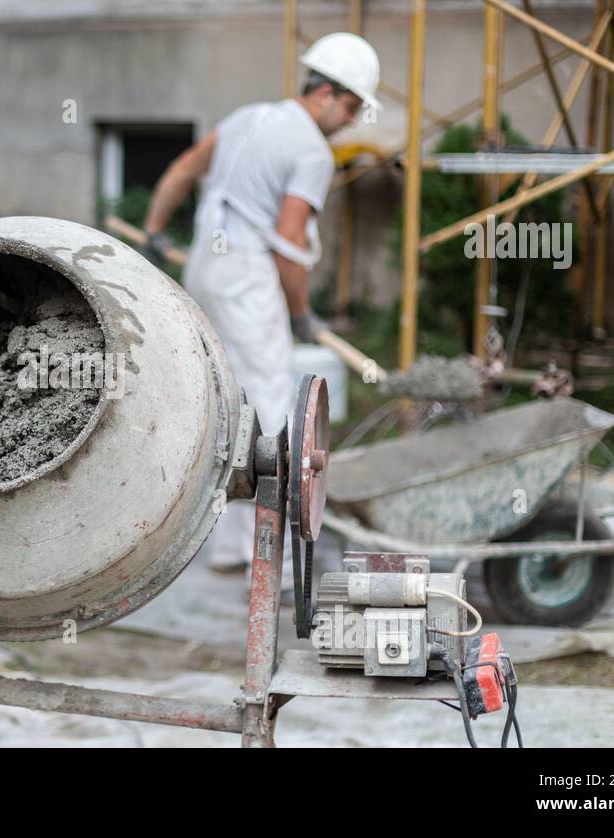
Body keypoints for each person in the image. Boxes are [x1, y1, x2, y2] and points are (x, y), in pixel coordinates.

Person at [141, 32, 380, 574]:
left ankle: (229, 547)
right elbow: (290, 249)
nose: (351, 119)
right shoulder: (312, 152)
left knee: (226, 403)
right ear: (323, 92)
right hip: (247, 274)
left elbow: (182, 170)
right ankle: (267, 556)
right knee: (272, 408)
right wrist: (300, 314)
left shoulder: (247, 117)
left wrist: (155, 230)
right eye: (350, 106)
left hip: (204, 267)